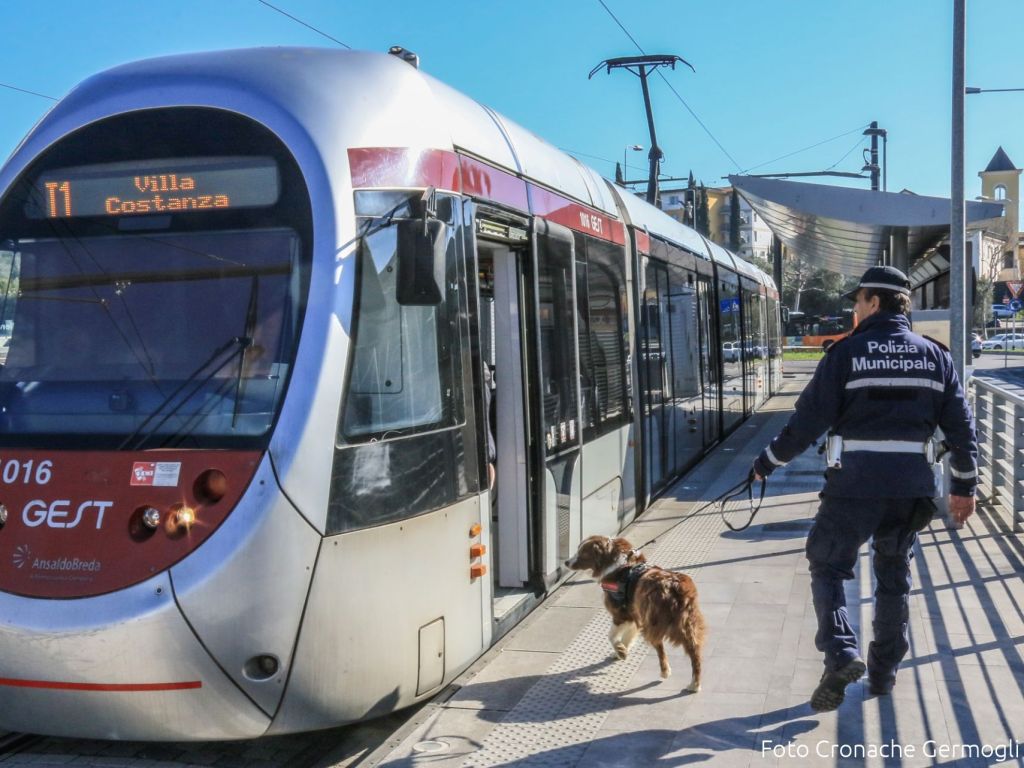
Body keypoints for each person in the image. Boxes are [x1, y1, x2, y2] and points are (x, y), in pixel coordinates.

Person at [752, 265, 977, 712]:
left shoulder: (846, 354)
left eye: (858, 301)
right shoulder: (936, 357)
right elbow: (961, 429)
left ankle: (841, 654)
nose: (855, 308)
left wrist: (767, 462)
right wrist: (964, 487)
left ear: (874, 303)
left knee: (829, 567)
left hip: (852, 487)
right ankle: (883, 672)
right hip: (910, 490)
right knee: (894, 578)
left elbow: (807, 422)